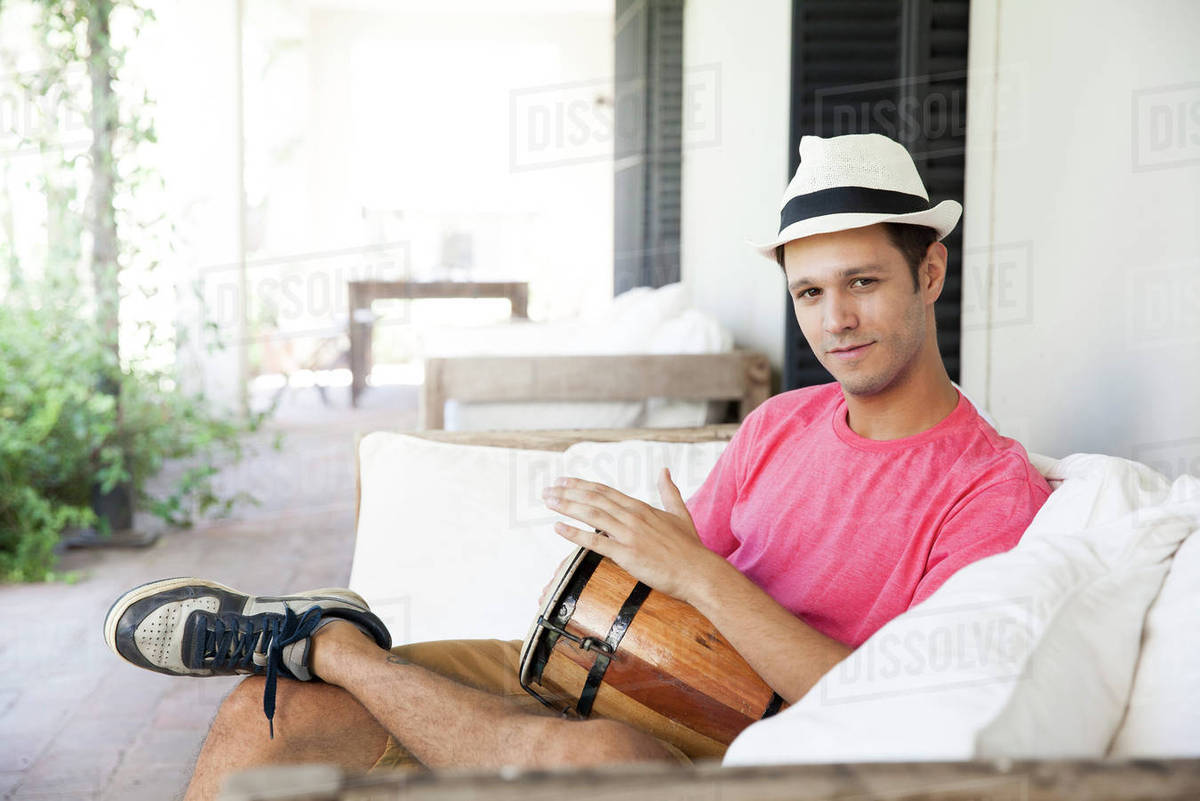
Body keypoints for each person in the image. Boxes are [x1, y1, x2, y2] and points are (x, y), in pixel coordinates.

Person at [103, 133, 1052, 800]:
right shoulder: (781, 424)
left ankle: (331, 638)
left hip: (749, 754)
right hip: (612, 676)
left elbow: (888, 699)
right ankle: (319, 655)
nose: (835, 319)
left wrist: (697, 571)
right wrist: (656, 554)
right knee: (277, 709)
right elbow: (677, 590)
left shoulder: (988, 488)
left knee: (584, 760)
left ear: (929, 273)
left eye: (864, 282)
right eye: (809, 291)